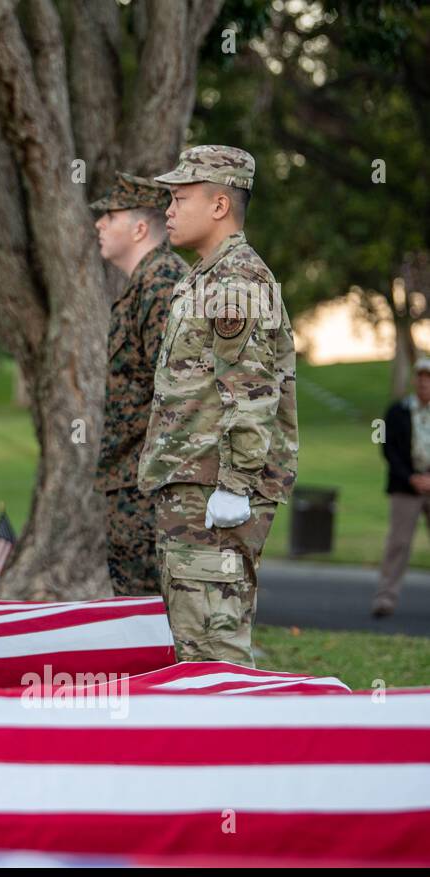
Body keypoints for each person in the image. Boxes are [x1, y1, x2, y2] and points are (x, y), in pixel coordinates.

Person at [138, 145, 299, 666]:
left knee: (215, 649)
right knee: (197, 645)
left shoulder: (234, 281)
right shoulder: (207, 276)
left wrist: (235, 486)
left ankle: (235, 746)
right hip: (194, 487)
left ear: (219, 205)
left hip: (214, 490)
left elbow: (252, 393)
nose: (168, 210)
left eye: (180, 198)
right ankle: (212, 745)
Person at [90, 172, 189, 596]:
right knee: (139, 611)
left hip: (152, 488)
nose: (98, 224)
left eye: (109, 215)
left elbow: (176, 391)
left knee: (151, 613)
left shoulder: (162, 282)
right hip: (134, 480)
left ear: (140, 227)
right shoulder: (145, 283)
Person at [372, 356, 430, 617]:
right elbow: (387, 447)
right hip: (405, 485)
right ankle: (385, 598)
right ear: (414, 380)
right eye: (420, 377)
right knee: (398, 543)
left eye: (428, 378)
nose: (424, 382)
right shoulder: (395, 411)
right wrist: (410, 477)